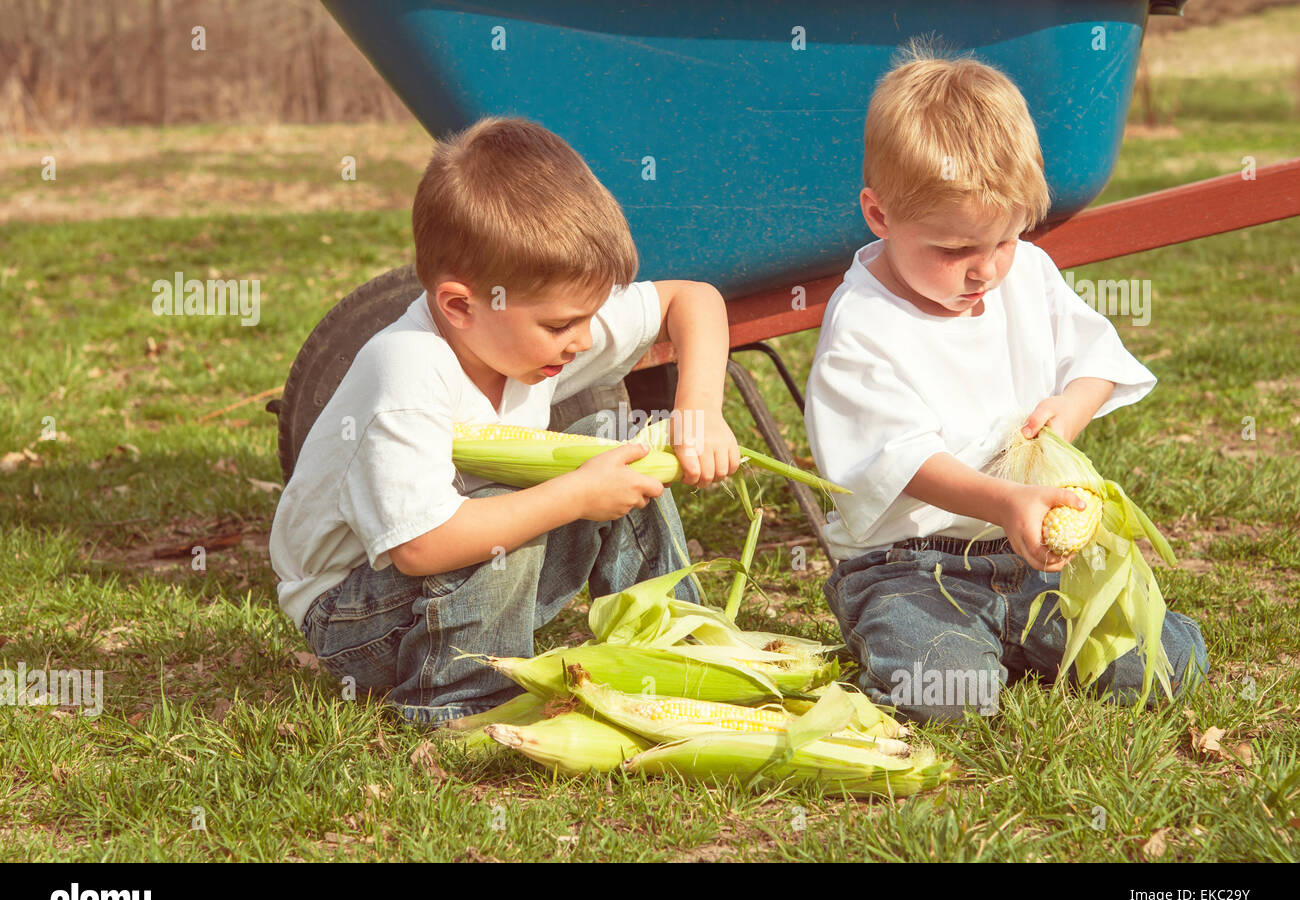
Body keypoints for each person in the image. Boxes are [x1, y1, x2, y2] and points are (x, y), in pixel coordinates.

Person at [270, 117, 740, 725]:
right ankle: (462, 701)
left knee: (616, 453)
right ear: (461, 305)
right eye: (560, 326)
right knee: (519, 507)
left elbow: (693, 298)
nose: (581, 340)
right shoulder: (408, 368)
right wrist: (575, 495)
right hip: (357, 617)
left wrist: (698, 409)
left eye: (589, 317)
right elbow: (420, 546)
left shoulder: (523, 330)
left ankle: (677, 649)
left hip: (448, 579)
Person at [804, 47, 1208, 723]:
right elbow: (903, 462)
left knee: (1168, 665)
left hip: (1029, 561)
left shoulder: (1029, 274)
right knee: (951, 695)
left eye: (1006, 238)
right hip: (914, 563)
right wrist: (1007, 500)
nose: (985, 269)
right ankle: (937, 645)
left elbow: (1098, 361)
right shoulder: (865, 324)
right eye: (954, 250)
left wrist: (1062, 417)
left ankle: (1012, 635)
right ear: (879, 216)